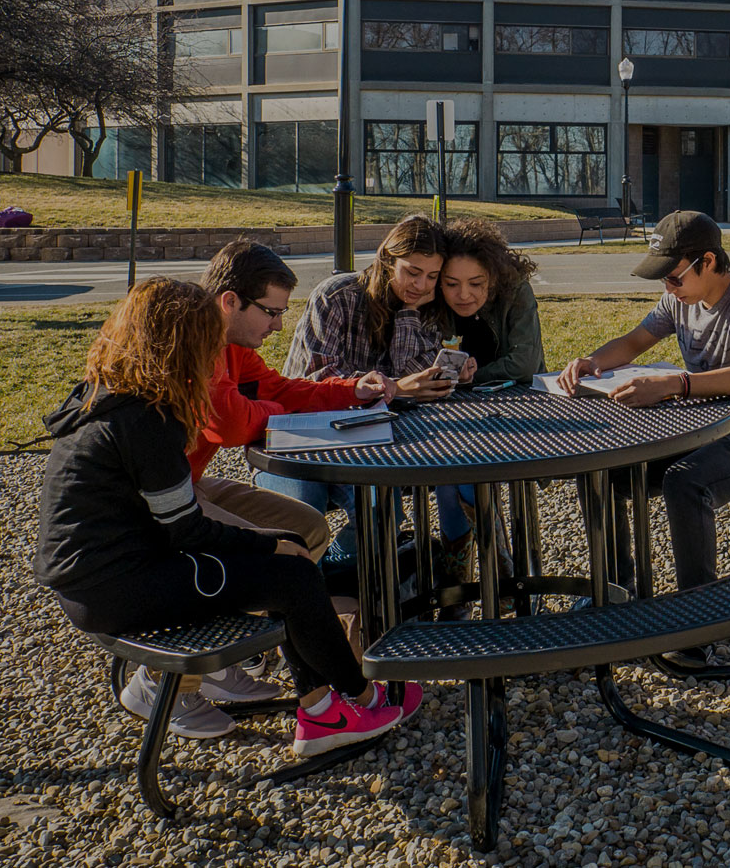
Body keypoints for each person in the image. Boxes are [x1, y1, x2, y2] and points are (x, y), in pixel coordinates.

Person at [35, 278, 421, 753]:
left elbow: (172, 519)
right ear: (182, 346)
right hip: (117, 586)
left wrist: (271, 545)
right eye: (207, 343)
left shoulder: (113, 394)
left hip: (102, 575)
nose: (214, 358)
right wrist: (268, 545)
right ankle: (355, 698)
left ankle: (322, 707)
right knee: (292, 574)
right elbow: (186, 528)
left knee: (288, 562)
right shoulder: (147, 421)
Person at [558, 211, 730, 664]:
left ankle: (696, 625)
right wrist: (591, 362)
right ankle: (616, 588)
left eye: (672, 277)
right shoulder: (678, 302)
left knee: (685, 482)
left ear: (707, 262)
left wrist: (673, 384)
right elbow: (632, 342)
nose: (667, 288)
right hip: (702, 433)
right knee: (603, 470)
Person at [268, 215, 463, 564]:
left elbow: (410, 379)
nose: (421, 284)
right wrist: (397, 388)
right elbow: (315, 379)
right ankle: (319, 585)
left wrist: (408, 314)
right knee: (301, 518)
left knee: (384, 514)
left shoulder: (427, 309)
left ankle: (334, 577)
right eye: (412, 272)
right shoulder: (338, 295)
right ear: (387, 259)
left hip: (369, 444)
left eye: (432, 276)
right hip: (302, 439)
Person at [192, 240, 397, 570]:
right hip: (157, 500)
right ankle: (279, 613)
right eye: (271, 312)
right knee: (285, 552)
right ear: (229, 302)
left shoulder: (233, 345)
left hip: (191, 482)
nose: (278, 326)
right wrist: (273, 411)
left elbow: (281, 390)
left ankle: (315, 602)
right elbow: (230, 425)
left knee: (308, 529)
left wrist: (353, 390)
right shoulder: (196, 343)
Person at [432, 219, 546, 614]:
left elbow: (524, 363)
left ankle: (458, 589)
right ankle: (494, 567)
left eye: (477, 283)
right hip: (450, 414)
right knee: (452, 473)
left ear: (494, 278)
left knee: (459, 472)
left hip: (516, 411)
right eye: (451, 284)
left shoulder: (516, 291)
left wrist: (470, 377)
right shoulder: (428, 300)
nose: (464, 295)